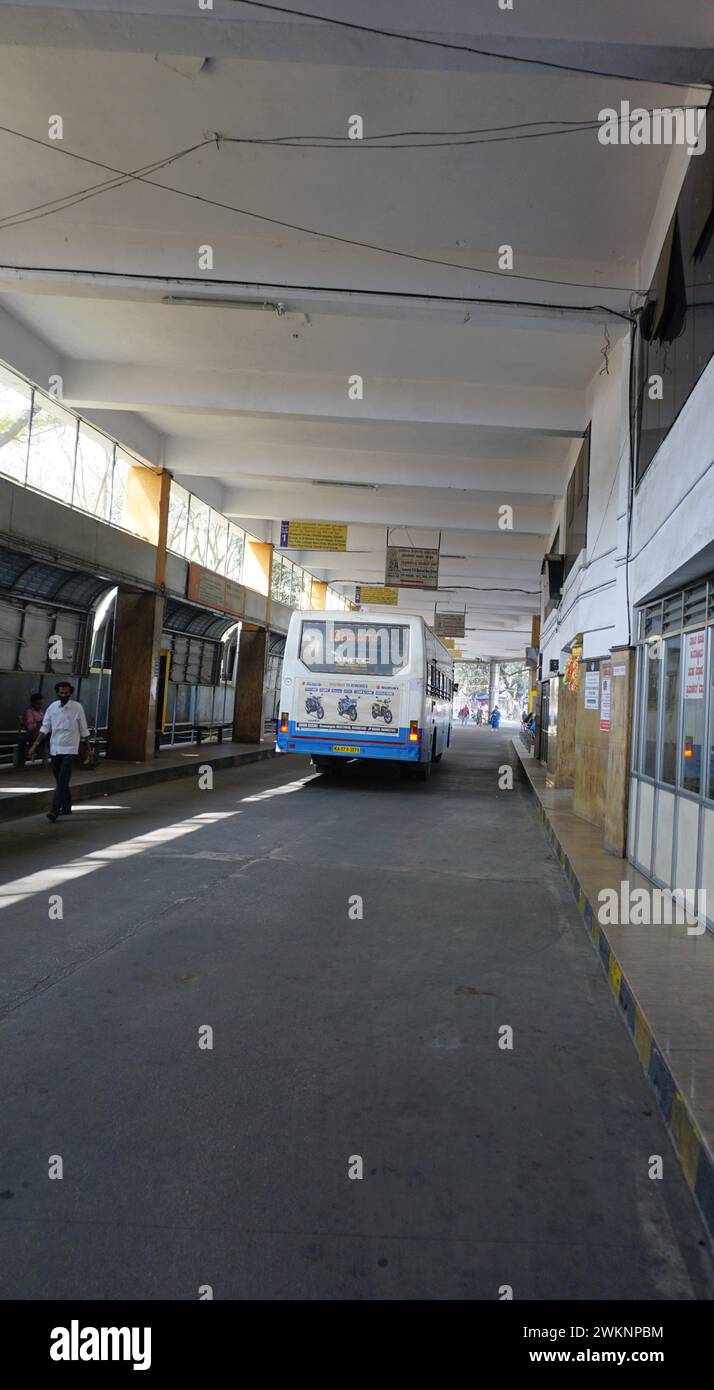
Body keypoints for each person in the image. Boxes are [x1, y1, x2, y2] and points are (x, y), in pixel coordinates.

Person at [28, 682, 90, 822]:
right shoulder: (52, 707)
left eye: (66, 693)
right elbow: (45, 728)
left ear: (70, 693)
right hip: (55, 749)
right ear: (57, 692)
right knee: (60, 780)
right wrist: (34, 746)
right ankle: (67, 807)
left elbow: (84, 729)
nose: (64, 695)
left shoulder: (77, 707)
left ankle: (54, 810)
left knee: (62, 781)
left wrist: (88, 750)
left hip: (70, 750)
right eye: (61, 693)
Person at [16, 692, 48, 767]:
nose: (40, 706)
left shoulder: (40, 712)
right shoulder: (29, 712)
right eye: (39, 704)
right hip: (34, 735)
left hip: (41, 734)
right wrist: (40, 723)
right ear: (33, 703)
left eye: (41, 704)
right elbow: (30, 727)